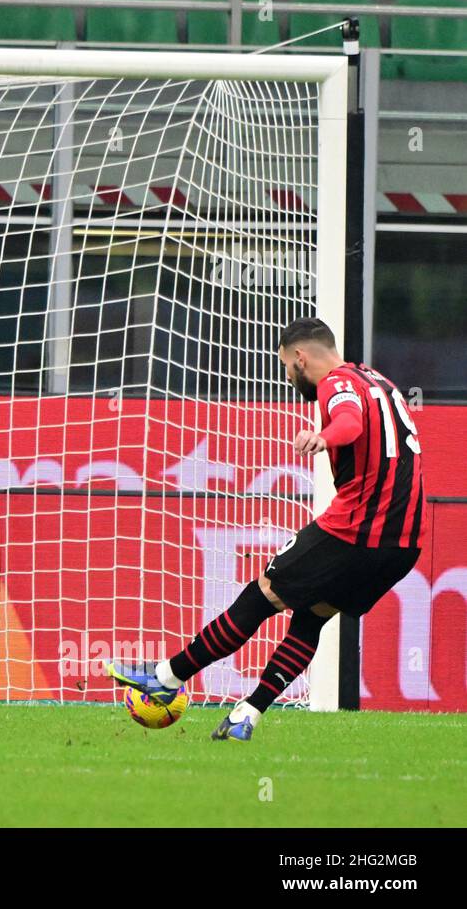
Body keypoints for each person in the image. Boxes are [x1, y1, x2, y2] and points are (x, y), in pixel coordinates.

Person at [107, 317, 424, 741]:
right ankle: (247, 715)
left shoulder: (336, 382)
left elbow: (350, 422)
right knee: (311, 617)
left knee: (262, 594)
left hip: (357, 529)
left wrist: (323, 436)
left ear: (300, 357)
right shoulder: (378, 380)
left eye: (286, 369)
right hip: (403, 545)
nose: (290, 379)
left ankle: (165, 678)